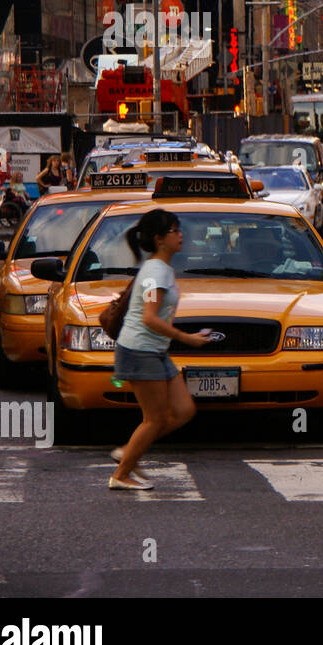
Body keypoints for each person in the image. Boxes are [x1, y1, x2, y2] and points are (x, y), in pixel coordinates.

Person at [109, 209, 214, 490]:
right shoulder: (156, 271)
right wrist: (187, 338)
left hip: (155, 350)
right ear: (159, 239)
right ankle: (121, 475)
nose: (181, 235)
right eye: (174, 231)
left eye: (180, 230)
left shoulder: (162, 268)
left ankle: (130, 450)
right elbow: (150, 317)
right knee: (154, 419)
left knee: (183, 410)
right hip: (140, 350)